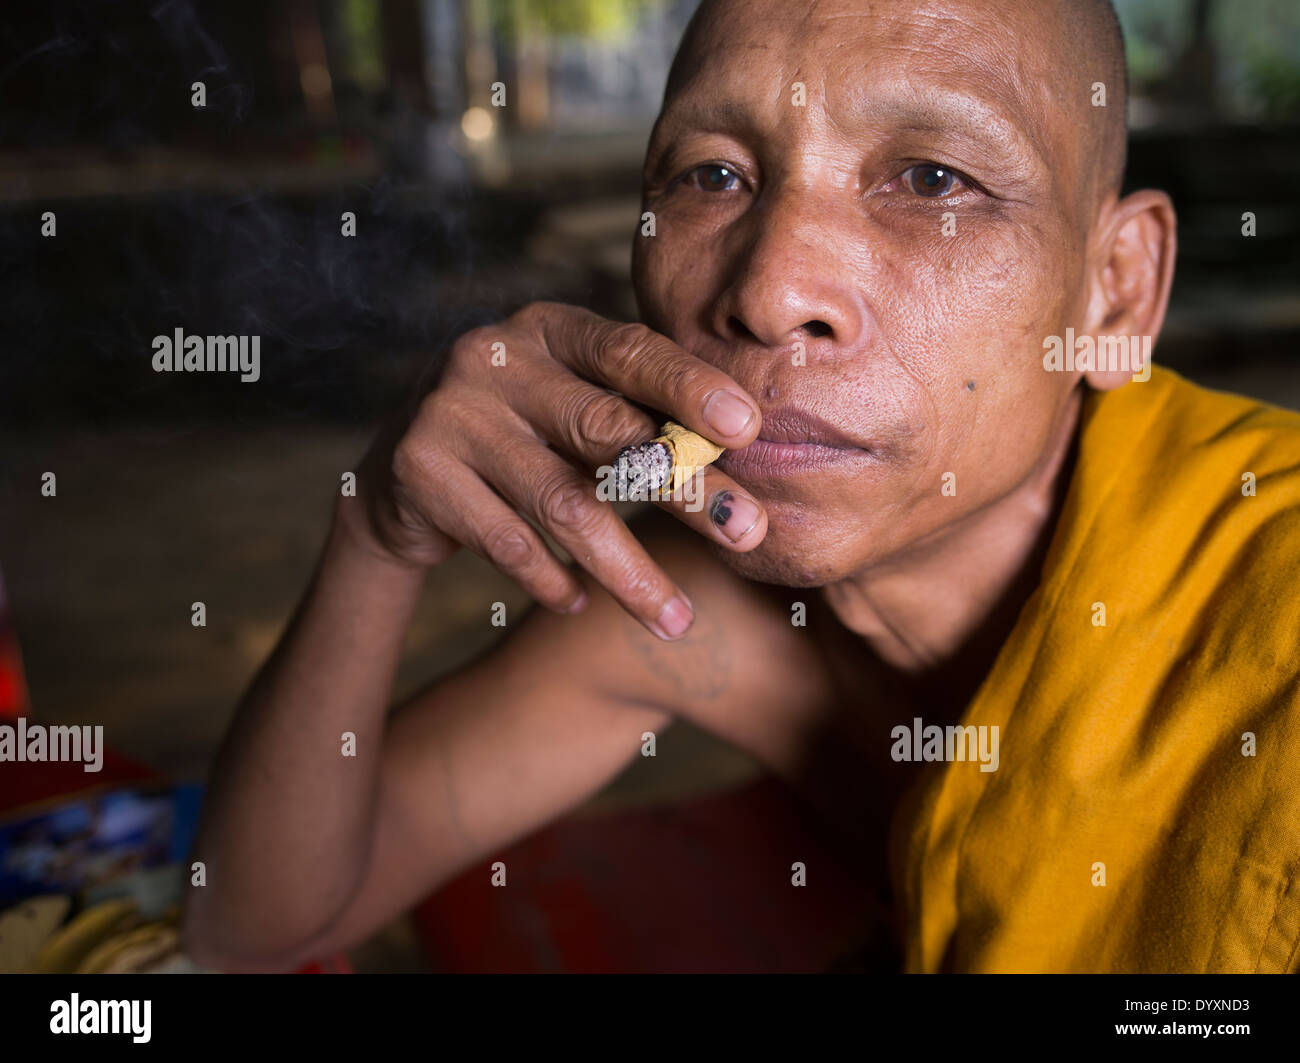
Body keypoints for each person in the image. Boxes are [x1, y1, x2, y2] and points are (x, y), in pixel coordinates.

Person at [182, 0, 1300, 973]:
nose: (767, 292)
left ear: (1114, 295)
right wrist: (377, 534)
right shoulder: (688, 602)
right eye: (713, 174)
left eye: (932, 180)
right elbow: (253, 922)